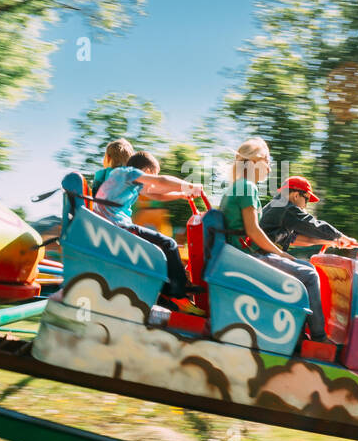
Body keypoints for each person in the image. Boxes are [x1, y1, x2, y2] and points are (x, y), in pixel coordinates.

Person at [217, 138, 328, 340]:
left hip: (236, 254)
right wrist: (280, 253)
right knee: (310, 276)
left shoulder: (238, 186)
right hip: (245, 258)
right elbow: (253, 231)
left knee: (309, 269)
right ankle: (320, 339)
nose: (269, 169)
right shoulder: (246, 188)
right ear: (256, 161)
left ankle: (300, 334)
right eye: (268, 162)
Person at [93, 150, 202, 300]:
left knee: (157, 250)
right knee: (169, 244)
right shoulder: (127, 173)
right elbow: (161, 182)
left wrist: (181, 194)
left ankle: (165, 291)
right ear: (147, 171)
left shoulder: (125, 179)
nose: (152, 180)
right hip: (117, 226)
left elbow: (156, 194)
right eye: (153, 175)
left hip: (112, 226)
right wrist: (188, 186)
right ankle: (179, 287)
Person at [260, 175, 358, 255]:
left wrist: (333, 242)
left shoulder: (277, 210)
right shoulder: (287, 208)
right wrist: (341, 236)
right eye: (306, 200)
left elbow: (308, 240)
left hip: (261, 252)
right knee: (310, 273)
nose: (305, 206)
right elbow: (313, 225)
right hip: (262, 254)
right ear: (295, 195)